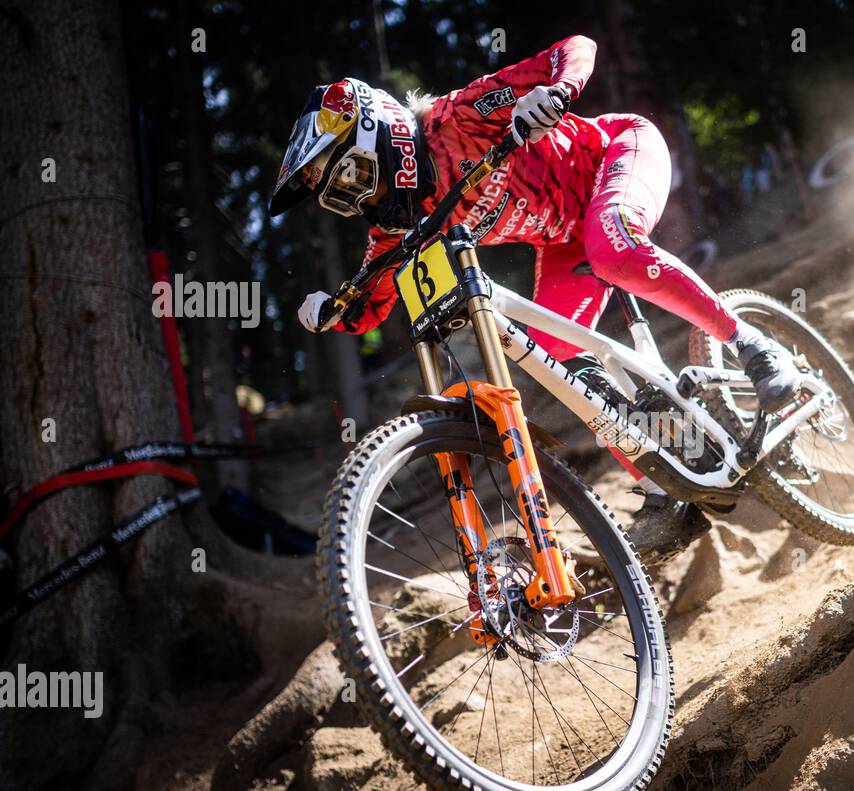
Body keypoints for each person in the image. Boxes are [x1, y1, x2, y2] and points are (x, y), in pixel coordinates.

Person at [268, 35, 800, 564]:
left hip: (620, 153)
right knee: (553, 357)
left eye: (353, 175)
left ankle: (753, 344)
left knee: (613, 247)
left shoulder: (460, 117)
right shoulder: (399, 226)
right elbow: (370, 305)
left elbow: (576, 46)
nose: (360, 198)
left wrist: (556, 93)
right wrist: (330, 311)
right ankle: (668, 484)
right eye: (343, 196)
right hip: (568, 240)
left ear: (379, 132)